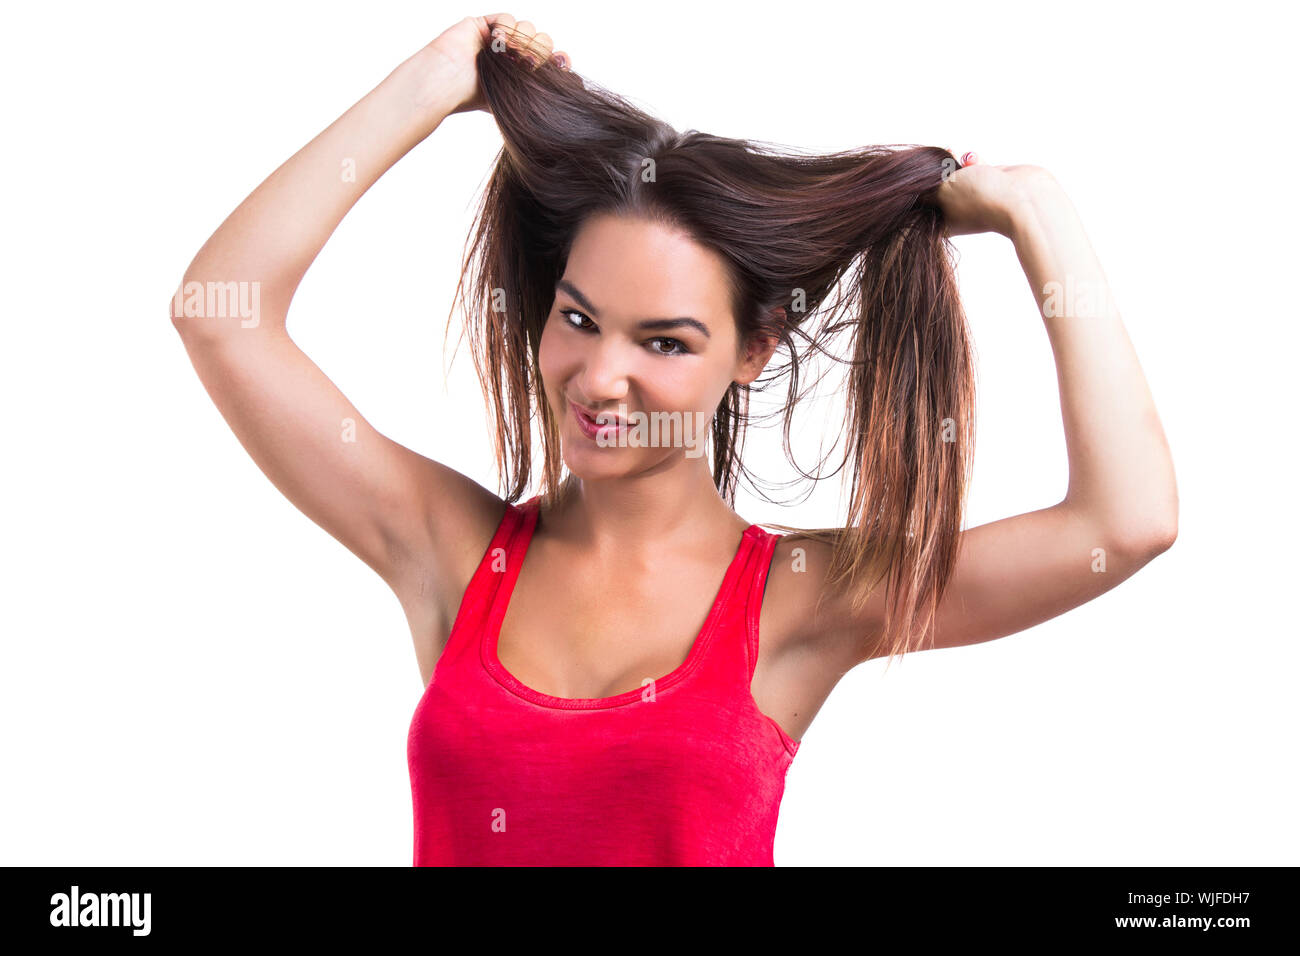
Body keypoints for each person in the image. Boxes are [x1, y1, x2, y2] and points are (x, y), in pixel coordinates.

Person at [170, 14, 1178, 866]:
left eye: (664, 340)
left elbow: (1124, 521)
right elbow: (221, 313)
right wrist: (432, 83)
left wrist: (1036, 209)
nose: (600, 375)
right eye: (577, 317)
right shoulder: (451, 549)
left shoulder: (804, 595)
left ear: (752, 350)